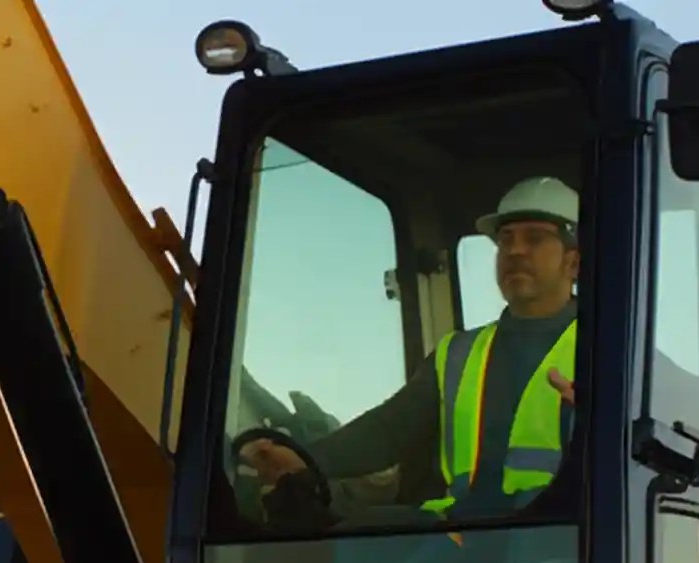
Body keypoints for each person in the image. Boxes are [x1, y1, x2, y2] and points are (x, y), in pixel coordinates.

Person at [239, 175, 581, 524]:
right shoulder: (458, 353)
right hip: (465, 528)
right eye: (506, 241)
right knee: (356, 539)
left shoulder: (607, 351)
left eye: (535, 239)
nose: (515, 251)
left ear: (574, 262)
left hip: (562, 534)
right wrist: (304, 460)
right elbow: (388, 431)